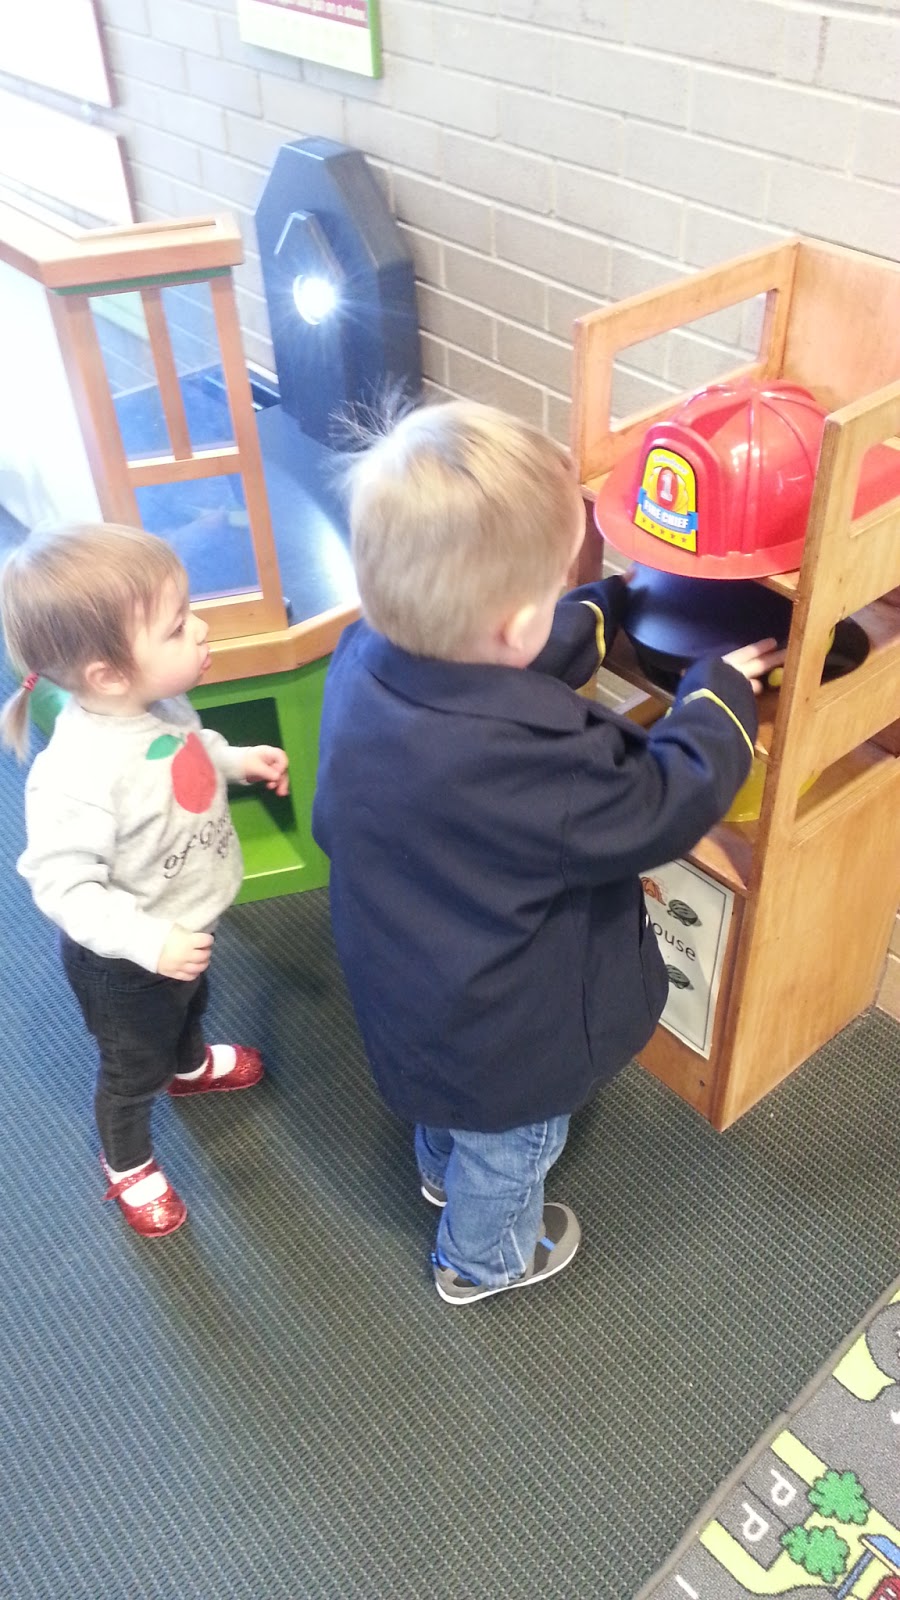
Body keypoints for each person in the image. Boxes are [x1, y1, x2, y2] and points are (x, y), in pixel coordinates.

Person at [312, 400, 781, 1305]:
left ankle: (440, 1171)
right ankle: (481, 1258)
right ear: (511, 625)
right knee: (513, 1142)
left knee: (448, 1109)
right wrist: (718, 699)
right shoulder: (541, 766)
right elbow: (663, 800)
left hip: (407, 979)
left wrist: (598, 612)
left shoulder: (364, 657)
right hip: (509, 1030)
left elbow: (483, 664)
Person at [0, 523, 289, 1239]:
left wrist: (235, 760)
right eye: (176, 625)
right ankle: (127, 1162)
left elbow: (184, 750)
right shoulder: (76, 774)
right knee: (131, 1069)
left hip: (187, 924)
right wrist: (148, 942)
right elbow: (59, 884)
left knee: (192, 1004)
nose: (202, 627)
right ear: (106, 674)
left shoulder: (155, 704)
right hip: (125, 961)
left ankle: (187, 1066)